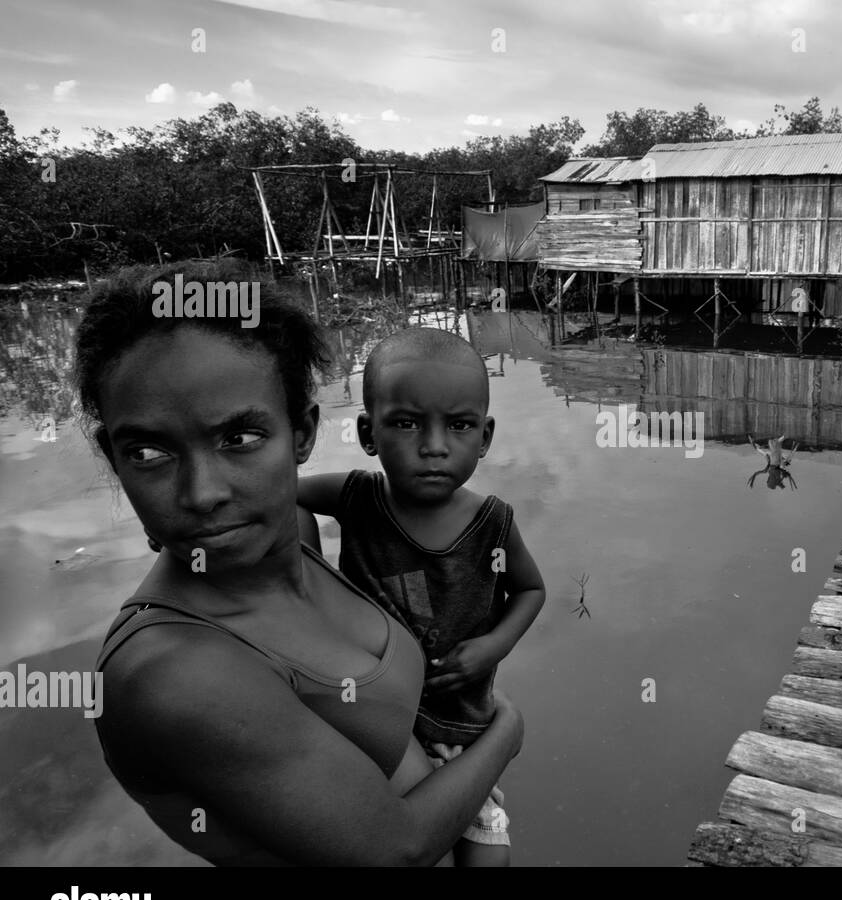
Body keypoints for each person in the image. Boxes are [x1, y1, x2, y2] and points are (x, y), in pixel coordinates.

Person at [78, 261, 523, 866]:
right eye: (149, 452)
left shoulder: (300, 534)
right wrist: (505, 733)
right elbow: (396, 849)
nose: (202, 494)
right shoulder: (174, 672)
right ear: (113, 456)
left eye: (239, 439)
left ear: (304, 433)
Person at [299, 327, 545, 867]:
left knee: (486, 855)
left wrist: (494, 646)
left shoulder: (492, 524)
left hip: (462, 723)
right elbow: (277, 494)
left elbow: (530, 589)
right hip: (376, 722)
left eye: (458, 426)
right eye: (406, 424)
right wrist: (190, 530)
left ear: (484, 437)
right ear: (369, 432)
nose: (434, 447)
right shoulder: (356, 497)